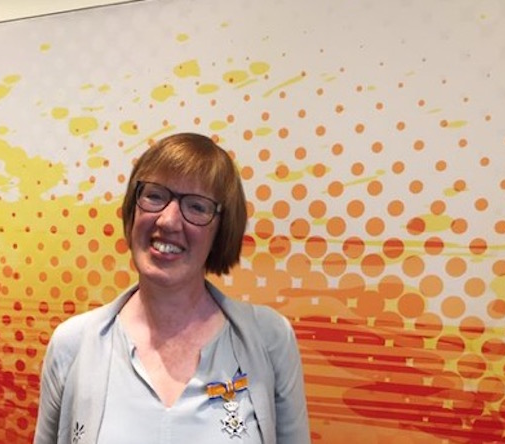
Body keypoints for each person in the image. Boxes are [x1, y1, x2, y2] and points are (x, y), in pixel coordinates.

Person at [33, 133, 310, 444]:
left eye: (197, 207)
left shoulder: (271, 341)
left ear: (222, 230)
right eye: (154, 196)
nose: (168, 221)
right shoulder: (72, 346)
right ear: (133, 209)